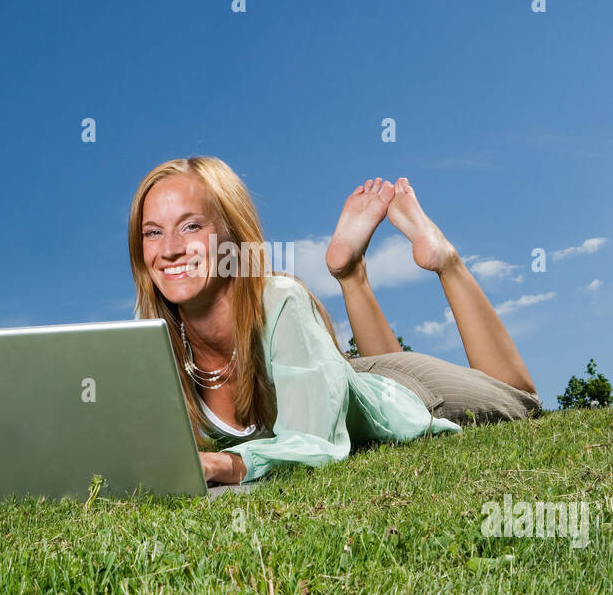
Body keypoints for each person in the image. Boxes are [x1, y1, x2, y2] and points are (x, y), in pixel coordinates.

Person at [129, 157, 541, 486]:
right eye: (152, 233)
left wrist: (232, 464)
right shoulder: (150, 332)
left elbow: (314, 442)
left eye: (191, 226)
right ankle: (351, 274)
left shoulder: (279, 300)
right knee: (351, 387)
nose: (170, 250)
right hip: (329, 375)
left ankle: (443, 257)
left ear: (232, 235)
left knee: (520, 399)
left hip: (406, 392)